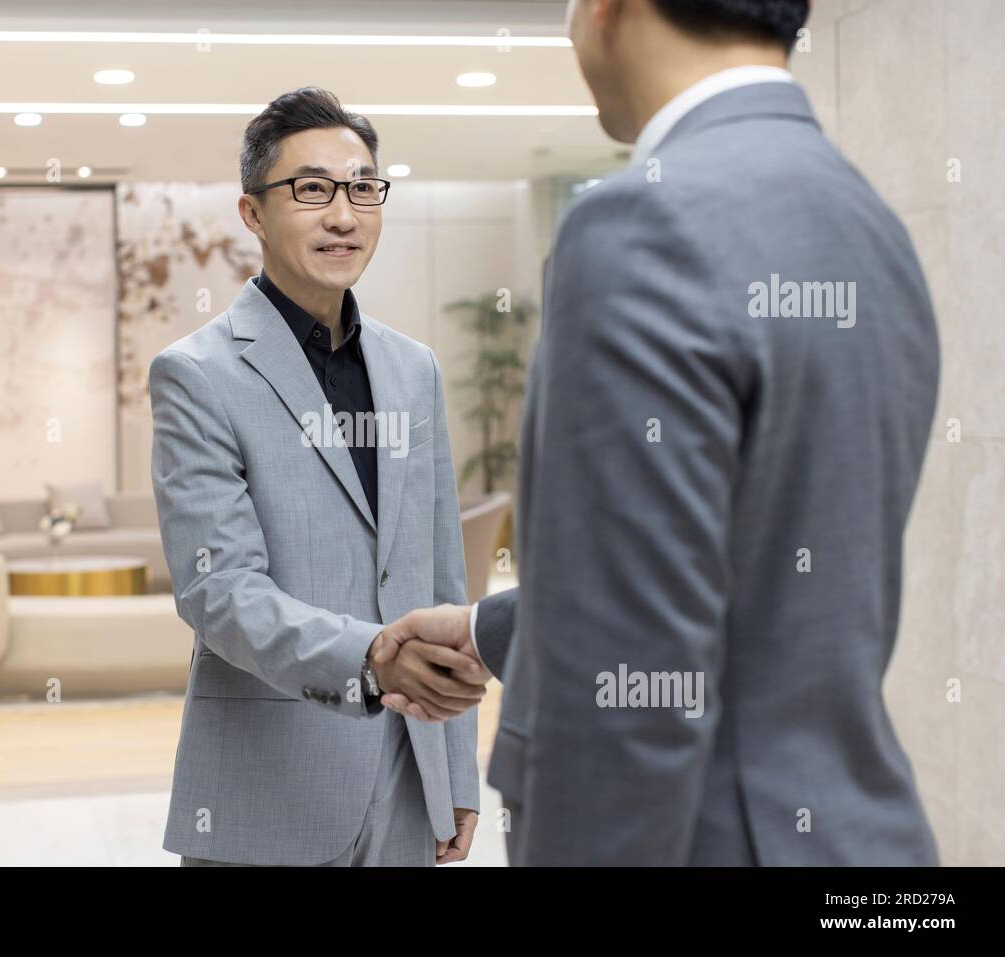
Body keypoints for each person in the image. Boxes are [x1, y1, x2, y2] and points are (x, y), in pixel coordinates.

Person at [376, 0, 941, 867]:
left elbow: (628, 704)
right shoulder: (871, 222)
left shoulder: (642, 225)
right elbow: (750, 576)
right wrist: (491, 629)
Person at [149, 87, 483, 866]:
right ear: (253, 213)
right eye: (312, 189)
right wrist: (372, 656)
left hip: (407, 781)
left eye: (364, 187)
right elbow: (219, 592)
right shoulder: (196, 375)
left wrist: (455, 772)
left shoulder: (413, 369)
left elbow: (441, 580)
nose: (344, 214)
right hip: (270, 785)